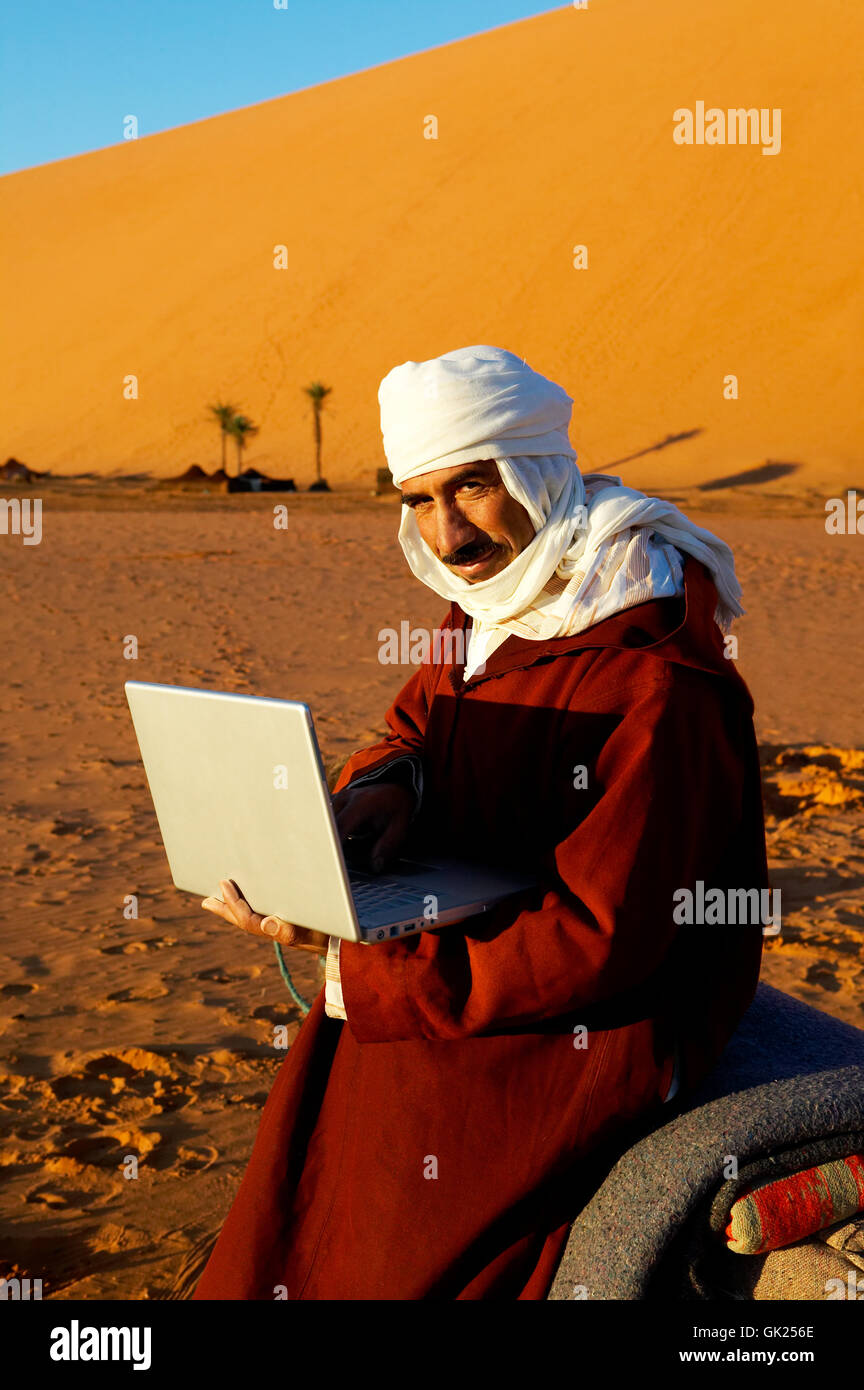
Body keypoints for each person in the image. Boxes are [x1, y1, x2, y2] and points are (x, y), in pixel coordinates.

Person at [194, 345, 768, 1300]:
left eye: (472, 487)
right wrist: (393, 787)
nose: (449, 535)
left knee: (404, 1203)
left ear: (538, 472)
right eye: (418, 499)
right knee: (323, 1102)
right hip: (478, 959)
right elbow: (413, 721)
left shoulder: (654, 675)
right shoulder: (493, 608)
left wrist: (368, 973)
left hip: (599, 1014)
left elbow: (604, 938)